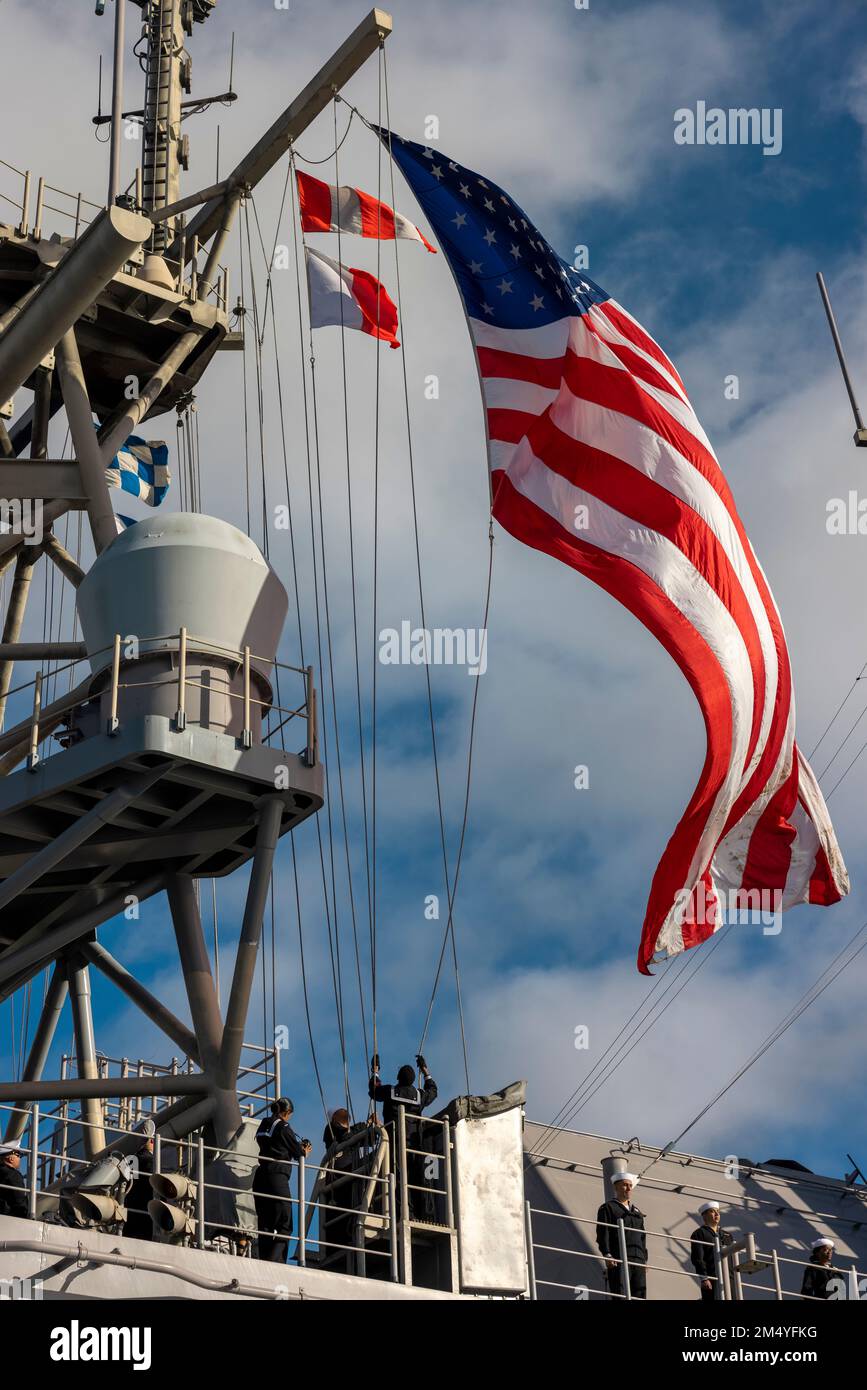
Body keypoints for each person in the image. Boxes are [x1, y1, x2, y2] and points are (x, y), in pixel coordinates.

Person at [369, 1054, 438, 1218]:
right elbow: (433, 1091)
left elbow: (374, 1090)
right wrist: (425, 1070)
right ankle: (418, 1214)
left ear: (398, 1078)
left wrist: (375, 1071)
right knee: (414, 1178)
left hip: (394, 1143)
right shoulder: (419, 1096)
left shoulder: (390, 1092)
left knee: (397, 1178)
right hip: (414, 1144)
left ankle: (404, 1213)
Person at [252, 1098, 311, 1264]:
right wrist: (304, 1150)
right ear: (286, 1113)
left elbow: (275, 1145)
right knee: (285, 1223)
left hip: (260, 1176)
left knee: (265, 1225)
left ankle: (264, 1261)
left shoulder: (263, 1124)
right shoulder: (283, 1126)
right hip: (276, 1176)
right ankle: (274, 1262)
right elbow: (298, 1152)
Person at [596, 1173, 648, 1300]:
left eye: (630, 1185)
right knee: (619, 1291)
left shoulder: (637, 1212)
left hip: (638, 1258)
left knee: (639, 1294)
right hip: (618, 1256)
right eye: (625, 1185)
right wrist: (607, 1254)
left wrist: (645, 1259)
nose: (629, 1188)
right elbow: (603, 1232)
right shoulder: (608, 1208)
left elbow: (642, 1237)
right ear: (616, 1187)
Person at [689, 1200, 733, 1300]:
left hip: (729, 1278)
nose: (717, 1214)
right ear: (704, 1216)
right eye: (712, 1211)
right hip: (711, 1277)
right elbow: (698, 1258)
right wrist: (704, 1278)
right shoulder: (699, 1233)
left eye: (718, 1211)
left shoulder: (727, 1235)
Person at [123, 1138, 154, 1242]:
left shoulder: (131, 1159)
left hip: (130, 1207)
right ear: (151, 1142)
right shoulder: (151, 1160)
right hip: (146, 1209)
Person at [0, 1140, 28, 1219]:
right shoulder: (13, 1175)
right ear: (11, 1159)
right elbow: (19, 1201)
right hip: (10, 1218)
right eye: (18, 1155)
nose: (20, 1158)